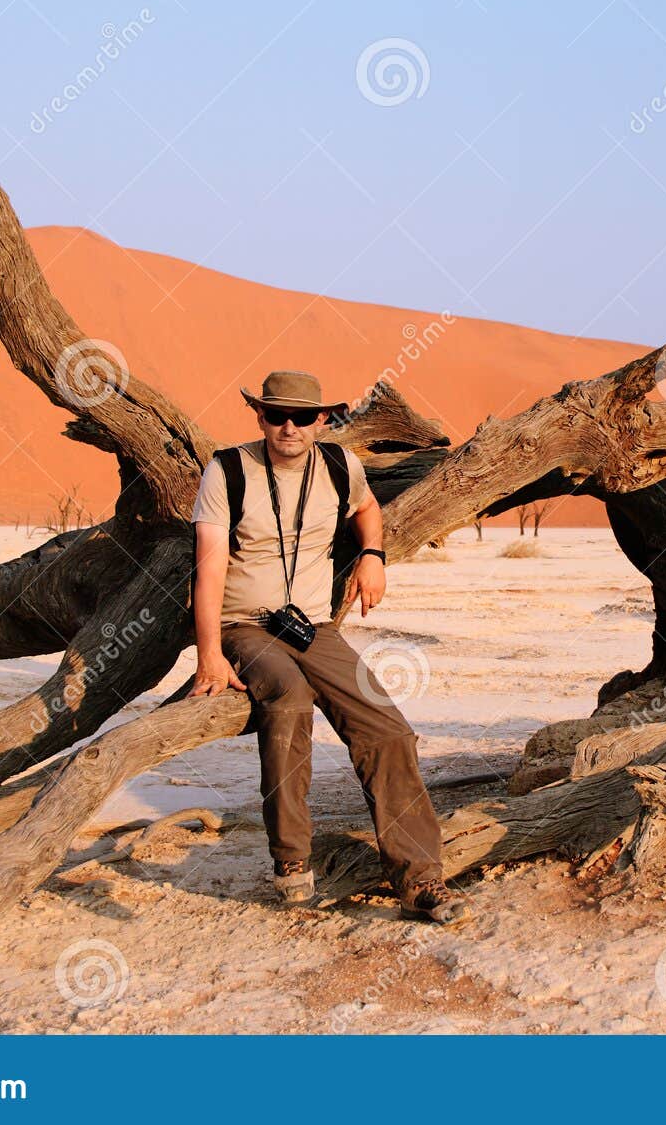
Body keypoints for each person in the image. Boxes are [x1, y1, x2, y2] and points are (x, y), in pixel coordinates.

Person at [188, 369, 467, 925]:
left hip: (314, 628)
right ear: (259, 417)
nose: (288, 426)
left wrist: (373, 555)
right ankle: (292, 860)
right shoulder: (228, 470)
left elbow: (367, 509)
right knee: (287, 699)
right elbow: (210, 566)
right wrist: (210, 654)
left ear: (321, 420)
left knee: (387, 729)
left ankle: (419, 879)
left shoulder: (340, 466)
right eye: (275, 415)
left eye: (301, 416)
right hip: (245, 625)